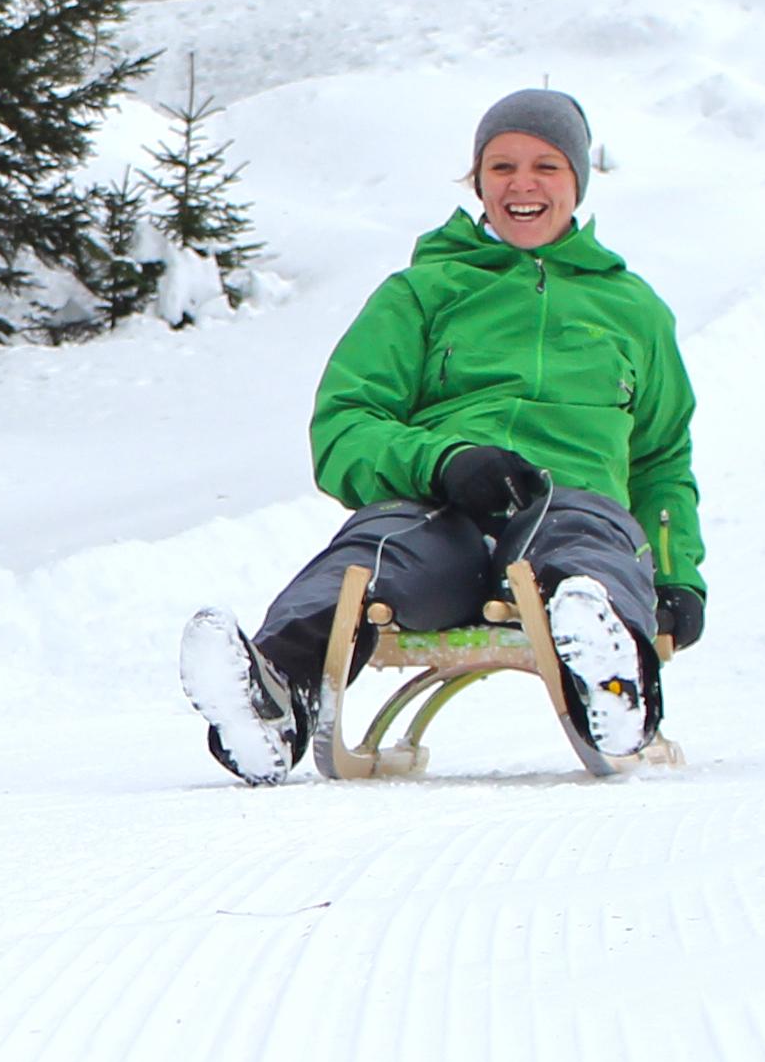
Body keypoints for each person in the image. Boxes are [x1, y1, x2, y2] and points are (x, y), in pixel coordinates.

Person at [182, 86, 706, 778]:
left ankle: (613, 682)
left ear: (577, 179)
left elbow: (662, 457)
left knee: (587, 553)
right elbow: (344, 427)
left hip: (572, 499)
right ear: (478, 180)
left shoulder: (634, 309)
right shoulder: (422, 294)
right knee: (378, 551)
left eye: (546, 166)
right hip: (445, 507)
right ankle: (274, 694)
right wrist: (445, 462)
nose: (522, 184)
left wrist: (676, 576)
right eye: (501, 166)